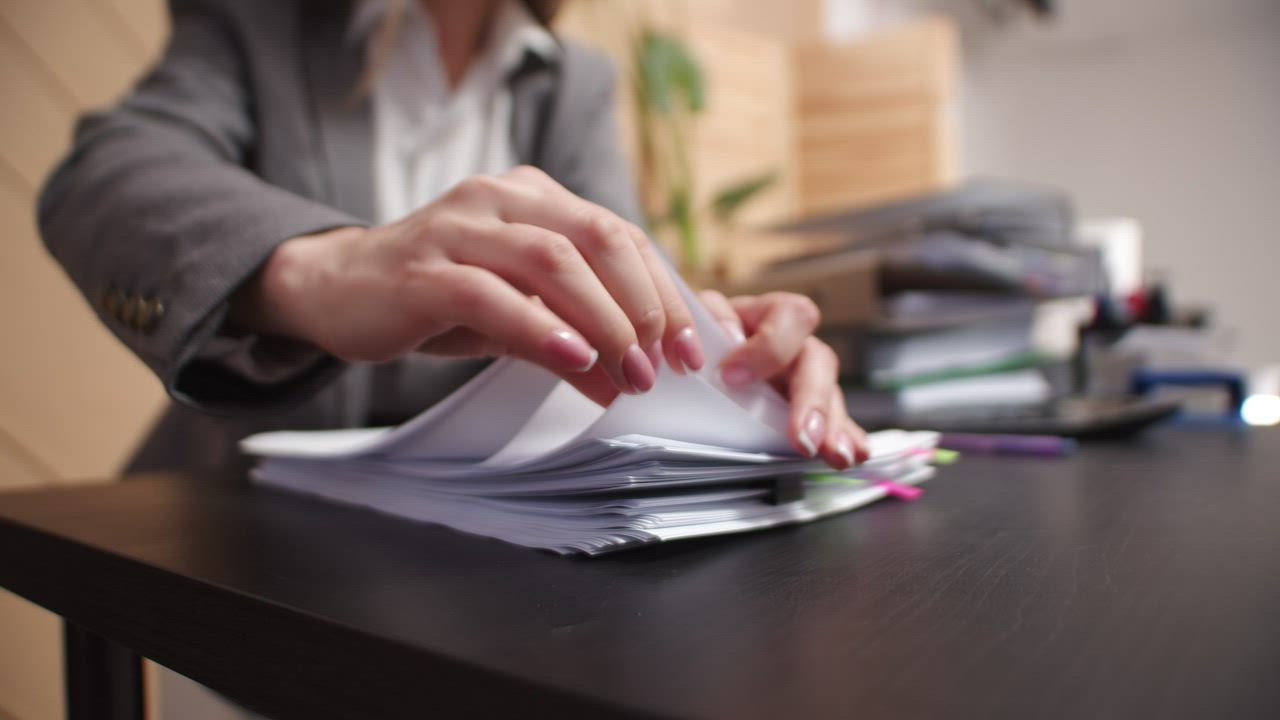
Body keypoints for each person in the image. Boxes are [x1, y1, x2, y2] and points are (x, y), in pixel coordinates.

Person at [39, 0, 870, 477]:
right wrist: (328, 270)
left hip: (476, 543)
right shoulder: (260, 22)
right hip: (233, 523)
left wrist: (720, 357)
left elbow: (627, 284)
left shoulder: (574, 81)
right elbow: (106, 172)